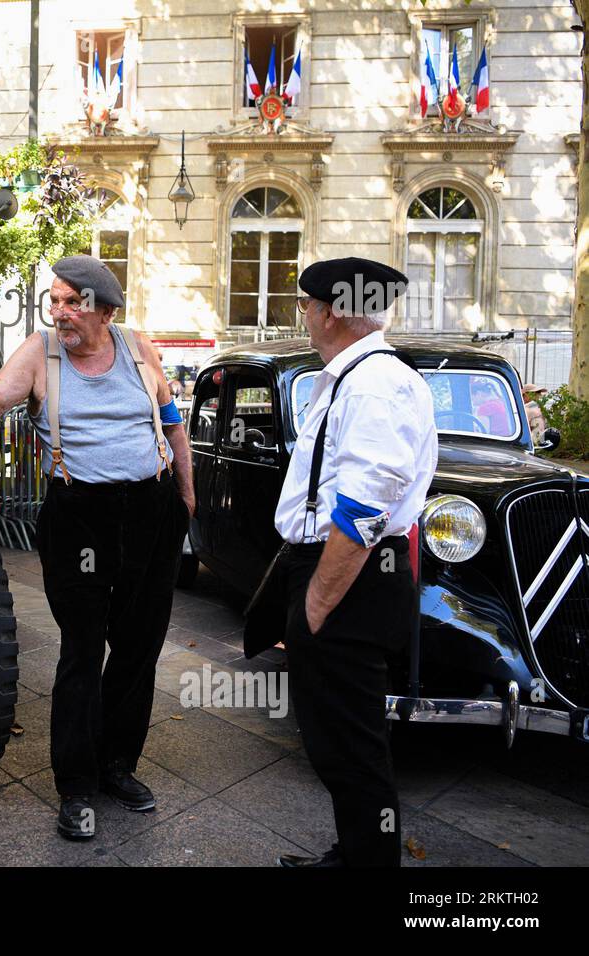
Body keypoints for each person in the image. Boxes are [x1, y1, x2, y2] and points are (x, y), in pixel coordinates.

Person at [0, 254, 194, 841]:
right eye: (54, 301)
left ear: (105, 309)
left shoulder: (137, 348)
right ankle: (76, 786)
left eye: (71, 302)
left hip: (151, 512)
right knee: (81, 650)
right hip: (80, 518)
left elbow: (173, 422)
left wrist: (186, 497)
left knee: (138, 648)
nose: (59, 313)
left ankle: (118, 767)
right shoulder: (41, 353)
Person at [272, 257, 437, 867]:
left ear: (333, 311)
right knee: (340, 738)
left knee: (352, 743)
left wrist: (316, 603)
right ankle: (358, 852)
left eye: (306, 306)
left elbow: (367, 507)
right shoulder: (355, 376)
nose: (305, 317)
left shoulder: (373, 383)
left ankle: (368, 862)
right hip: (343, 574)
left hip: (349, 579)